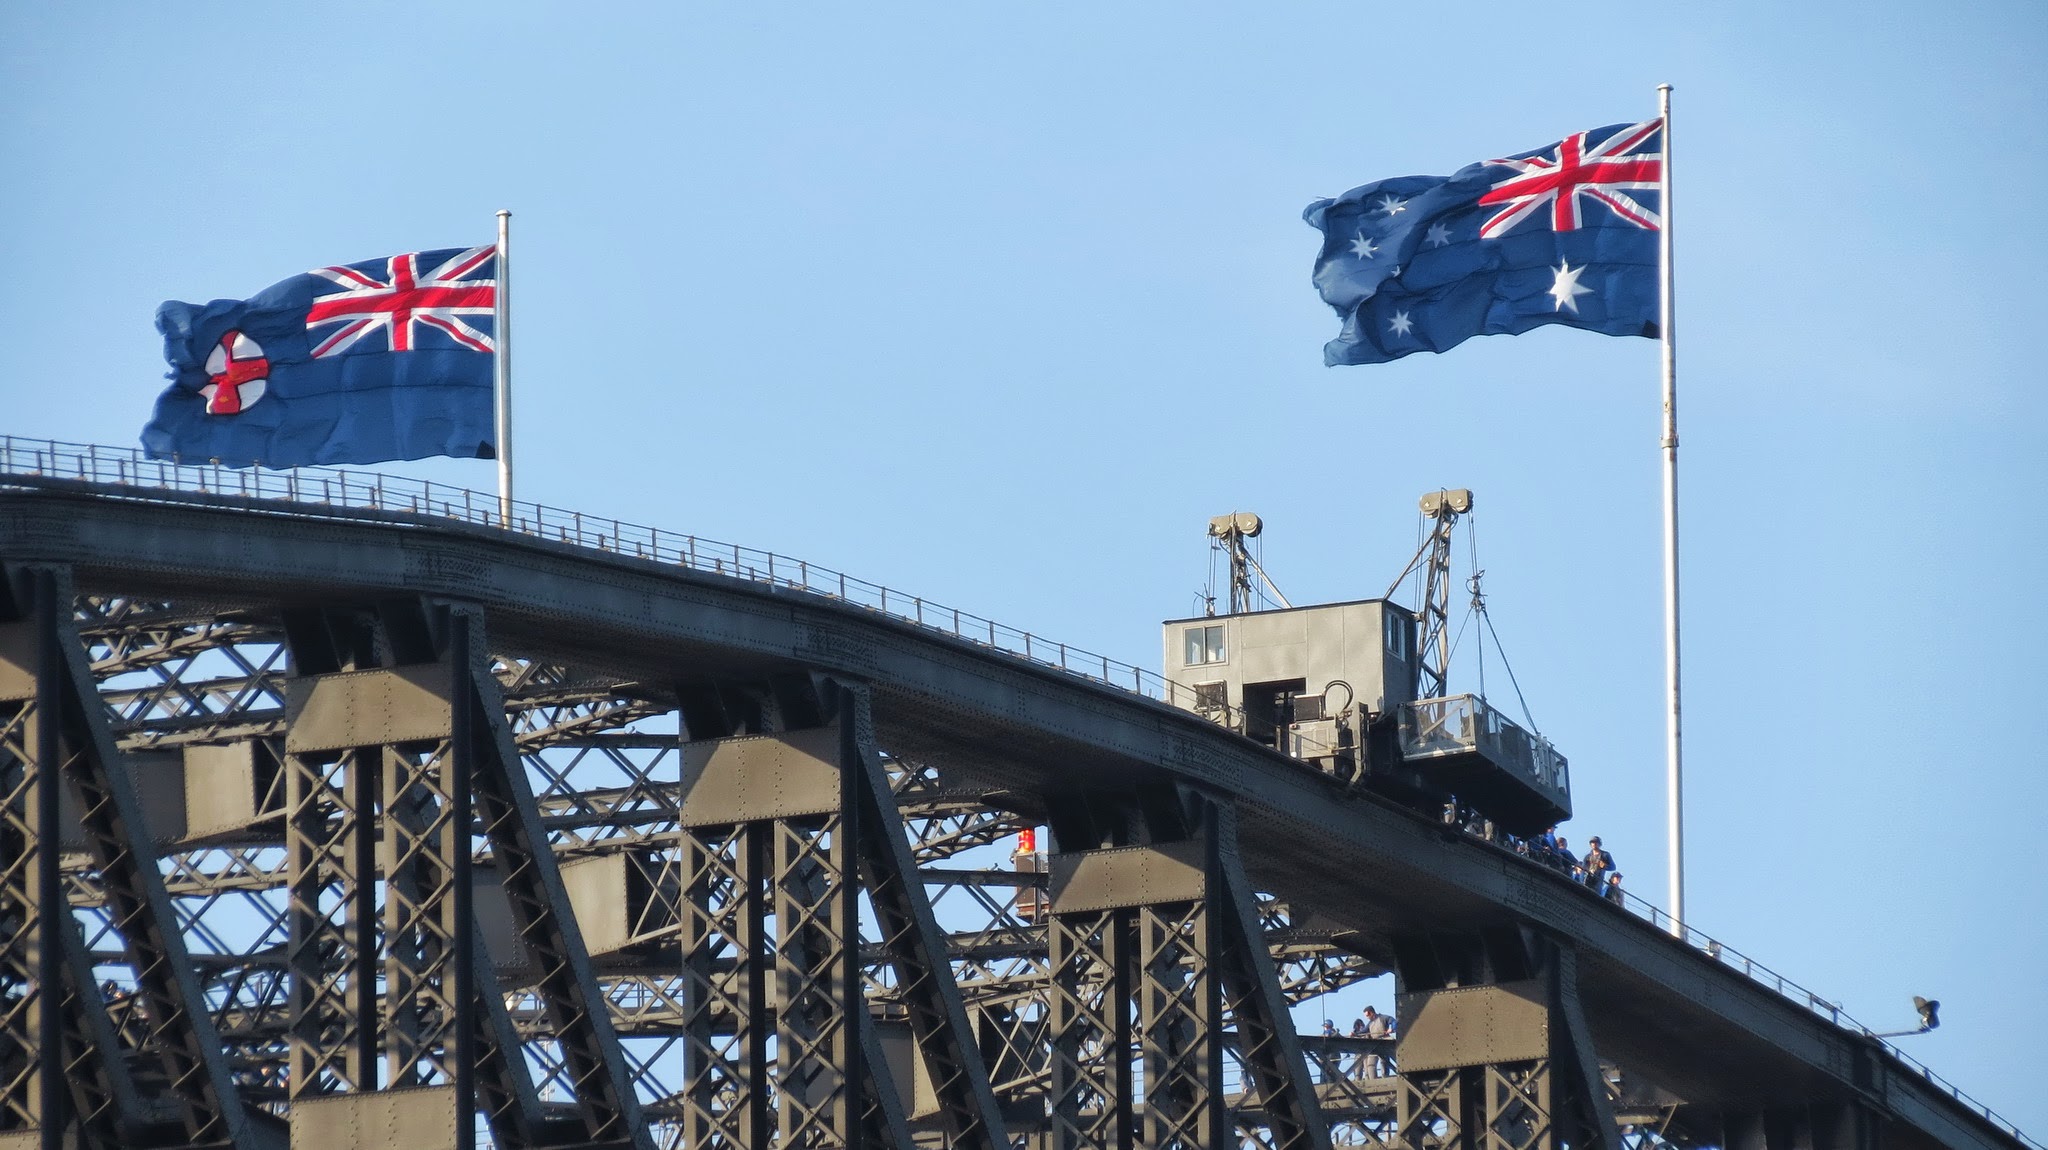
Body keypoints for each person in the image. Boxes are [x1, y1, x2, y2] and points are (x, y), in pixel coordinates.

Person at [1363, 1004, 1394, 1077]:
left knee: (1384, 1061)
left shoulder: (1382, 1018)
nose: (1367, 1017)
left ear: (1371, 1013)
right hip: (1374, 1043)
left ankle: (1385, 1077)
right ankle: (1372, 1080)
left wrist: (1392, 1028)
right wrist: (1355, 1033)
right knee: (1371, 1064)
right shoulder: (1370, 1023)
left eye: (1367, 1015)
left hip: (1383, 1041)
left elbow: (1393, 1021)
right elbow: (1363, 1031)